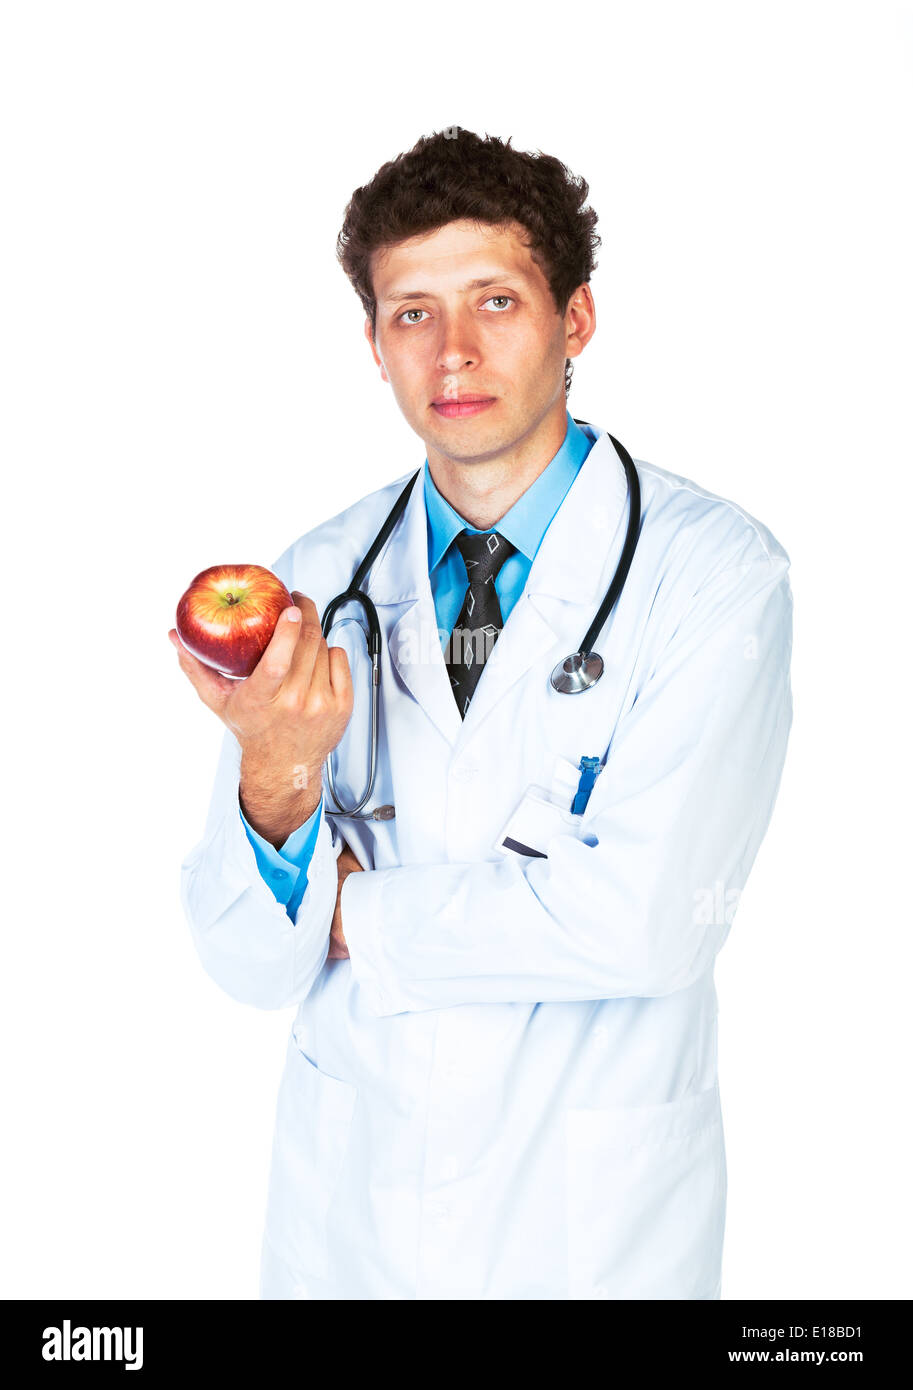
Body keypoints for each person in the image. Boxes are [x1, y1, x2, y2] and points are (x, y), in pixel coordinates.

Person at [169, 128, 793, 1301]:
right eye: (411, 313)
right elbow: (249, 960)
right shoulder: (319, 581)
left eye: (496, 300)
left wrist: (353, 911)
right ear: (372, 343)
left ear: (577, 320)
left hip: (595, 1235)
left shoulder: (712, 575)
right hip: (349, 1229)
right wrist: (277, 778)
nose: (452, 352)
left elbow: (648, 924)